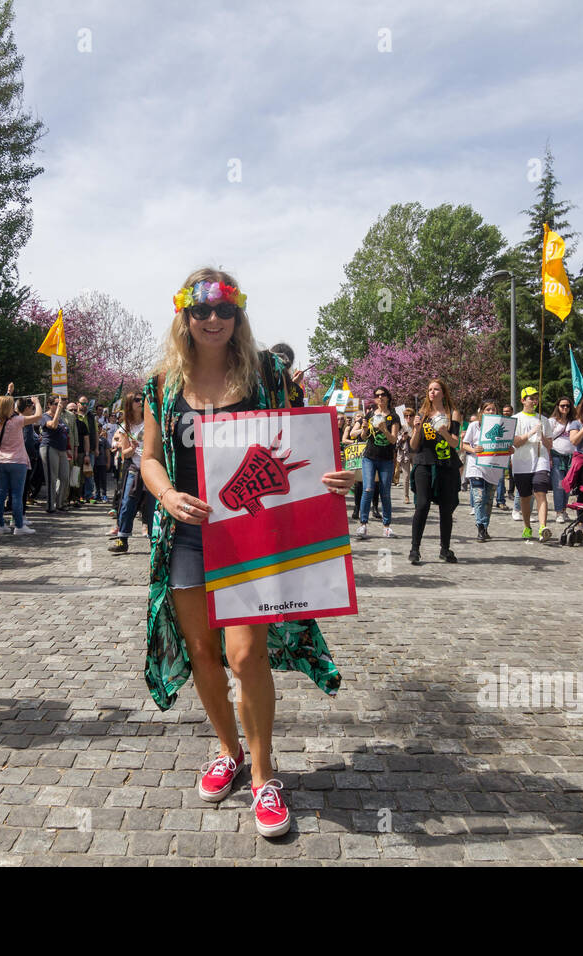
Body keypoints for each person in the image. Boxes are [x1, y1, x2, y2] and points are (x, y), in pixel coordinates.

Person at [140, 268, 351, 839]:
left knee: (243, 655)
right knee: (204, 654)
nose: (212, 320)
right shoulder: (162, 382)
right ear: (185, 315)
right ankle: (228, 751)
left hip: (252, 538)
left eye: (224, 311)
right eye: (201, 311)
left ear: (238, 317)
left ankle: (263, 776)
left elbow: (304, 441)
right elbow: (149, 457)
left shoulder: (266, 376)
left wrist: (335, 477)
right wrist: (166, 494)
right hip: (186, 535)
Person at [409, 378, 463, 564]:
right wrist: (415, 429)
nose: (432, 392)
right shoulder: (423, 413)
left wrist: (444, 432)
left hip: (446, 465)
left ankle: (445, 549)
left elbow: (455, 443)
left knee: (446, 509)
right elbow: (414, 446)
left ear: (443, 392)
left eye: (437, 389)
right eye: (430, 389)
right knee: (422, 505)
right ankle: (415, 549)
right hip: (424, 463)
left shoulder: (452, 413)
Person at [0, 395, 43, 534]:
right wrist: (36, 402)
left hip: (0, 461)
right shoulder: (17, 420)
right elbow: (38, 417)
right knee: (17, 494)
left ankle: (0, 525)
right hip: (17, 461)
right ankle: (19, 526)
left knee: (0, 495)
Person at [510, 387, 559, 541]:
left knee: (540, 492)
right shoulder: (515, 419)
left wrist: (542, 436)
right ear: (523, 400)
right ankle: (527, 527)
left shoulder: (543, 420)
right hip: (521, 463)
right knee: (525, 497)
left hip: (540, 461)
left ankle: (543, 527)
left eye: (536, 398)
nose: (534, 401)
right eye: (531, 398)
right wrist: (531, 433)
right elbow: (516, 443)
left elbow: (549, 445)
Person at [108, 392, 153, 554]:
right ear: (129, 404)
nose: (141, 402)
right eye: (137, 400)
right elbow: (124, 454)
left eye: (142, 399)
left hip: (152, 468)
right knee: (127, 503)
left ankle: (155, 541)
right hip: (134, 468)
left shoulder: (151, 420)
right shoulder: (125, 425)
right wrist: (132, 447)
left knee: (152, 506)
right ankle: (123, 539)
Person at [354, 386, 399, 538]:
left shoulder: (393, 416)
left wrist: (384, 429)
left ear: (388, 397)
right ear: (374, 398)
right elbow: (365, 437)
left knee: (385, 492)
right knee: (368, 489)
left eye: (383, 395)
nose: (380, 397)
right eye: (377, 395)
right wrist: (364, 429)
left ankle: (386, 526)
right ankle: (363, 524)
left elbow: (393, 440)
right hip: (369, 457)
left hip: (386, 459)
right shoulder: (370, 414)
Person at [462, 399, 502, 541]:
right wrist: (474, 449)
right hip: (476, 466)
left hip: (493, 468)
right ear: (482, 411)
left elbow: (507, 445)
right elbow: (465, 444)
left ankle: (485, 527)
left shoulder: (501, 426)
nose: (491, 412)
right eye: (488, 409)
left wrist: (510, 449)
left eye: (493, 409)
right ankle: (480, 527)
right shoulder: (474, 426)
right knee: (479, 498)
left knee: (489, 500)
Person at [39, 396, 71, 513]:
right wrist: (58, 410)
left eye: (60, 403)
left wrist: (68, 448)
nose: (59, 405)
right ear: (49, 404)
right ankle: (50, 505)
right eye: (56, 404)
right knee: (51, 478)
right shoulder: (44, 416)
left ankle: (60, 503)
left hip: (62, 450)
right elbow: (52, 425)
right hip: (49, 447)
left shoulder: (60, 418)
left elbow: (65, 433)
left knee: (65, 477)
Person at [548, 397, 577, 520]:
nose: (565, 408)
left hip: (571, 457)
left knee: (567, 485)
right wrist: (548, 457)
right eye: (562, 405)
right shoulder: (552, 421)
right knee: (559, 484)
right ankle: (559, 511)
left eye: (567, 406)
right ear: (558, 407)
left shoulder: (573, 422)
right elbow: (547, 440)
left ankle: (564, 509)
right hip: (556, 456)